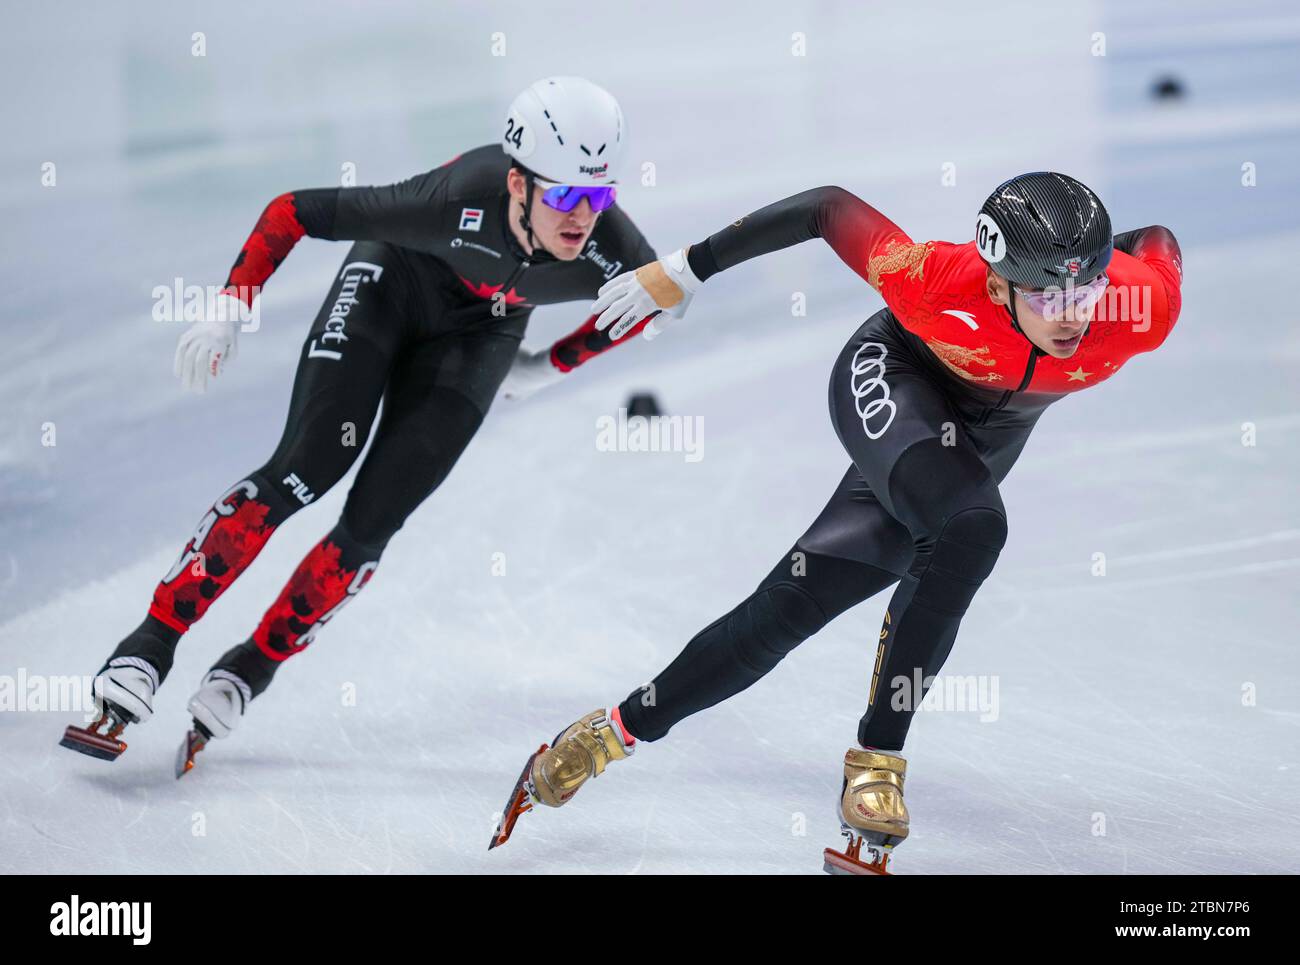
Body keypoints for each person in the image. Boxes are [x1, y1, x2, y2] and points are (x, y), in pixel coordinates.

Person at [495, 172, 1184, 872]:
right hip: (895, 379)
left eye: (1086, 289)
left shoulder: (1140, 305)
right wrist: (682, 270)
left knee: (793, 604)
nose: (1072, 314)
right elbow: (828, 208)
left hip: (978, 442)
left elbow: (1158, 243)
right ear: (999, 281)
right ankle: (877, 764)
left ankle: (607, 733)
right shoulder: (936, 279)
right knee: (972, 526)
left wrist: (1106, 253)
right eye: (1047, 294)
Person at [62, 77, 669, 772]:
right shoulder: (450, 203)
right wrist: (231, 305)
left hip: (482, 338)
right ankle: (149, 644)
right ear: (516, 184)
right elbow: (291, 210)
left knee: (375, 519)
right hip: (394, 285)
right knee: (305, 469)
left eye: (599, 197)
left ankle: (250, 668)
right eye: (565, 195)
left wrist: (549, 366)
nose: (582, 217)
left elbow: (655, 296)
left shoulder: (612, 247)